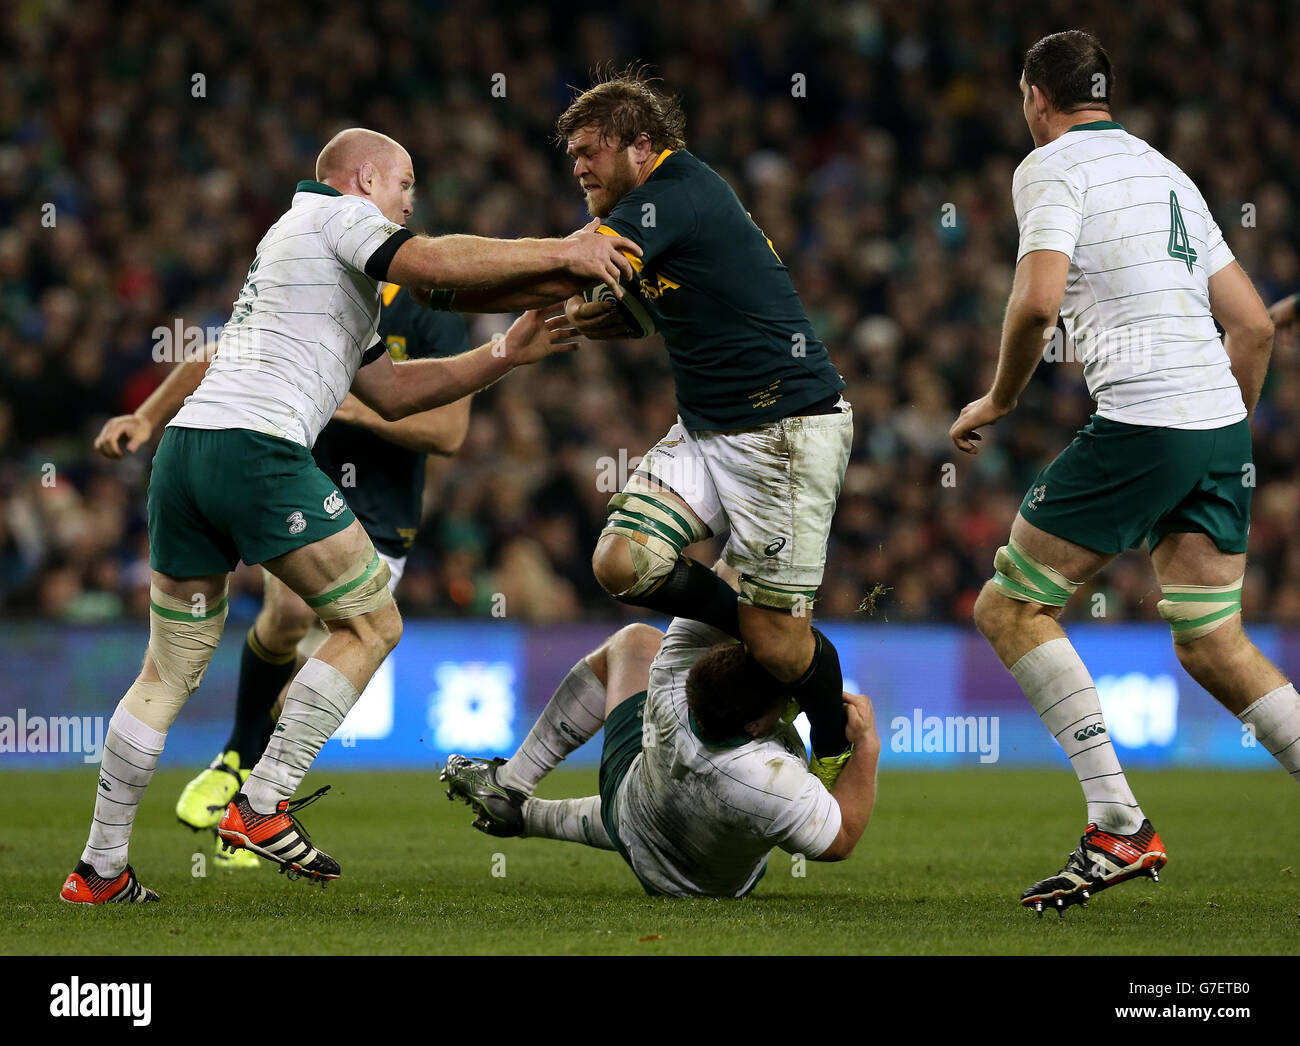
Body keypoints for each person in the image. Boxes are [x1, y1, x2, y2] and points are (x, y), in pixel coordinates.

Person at [59, 127, 642, 903]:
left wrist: (505, 353)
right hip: (256, 452)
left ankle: (100, 868)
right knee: (374, 625)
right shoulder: (340, 216)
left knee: (165, 674)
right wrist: (566, 251)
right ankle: (261, 804)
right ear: (366, 177)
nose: (410, 203)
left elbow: (396, 394)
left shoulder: (304, 249)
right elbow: (432, 267)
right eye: (405, 184)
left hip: (186, 455)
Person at [949, 31, 1295, 915]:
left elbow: (1034, 300)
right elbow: (1253, 327)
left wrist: (998, 399)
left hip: (1145, 418)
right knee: (1212, 640)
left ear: (1036, 97)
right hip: (1218, 426)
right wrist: (1218, 435)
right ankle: (1120, 827)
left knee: (1010, 605)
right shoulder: (1167, 170)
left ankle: (1119, 825)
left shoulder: (1052, 164)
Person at [548, 67, 857, 799]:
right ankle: (759, 620)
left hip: (785, 431)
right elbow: (687, 300)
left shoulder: (673, 196)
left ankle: (834, 731)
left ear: (642, 145)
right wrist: (622, 318)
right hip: (708, 427)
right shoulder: (667, 215)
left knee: (782, 645)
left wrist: (438, 277)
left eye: (591, 149)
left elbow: (564, 266)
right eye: (572, 157)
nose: (580, 167)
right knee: (621, 562)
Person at [94, 284, 472, 870]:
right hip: (296, 481)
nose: (405, 198)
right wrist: (146, 416)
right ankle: (244, 777)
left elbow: (448, 433)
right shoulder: (315, 273)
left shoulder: (428, 310)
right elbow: (219, 350)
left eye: (409, 185)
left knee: (317, 668)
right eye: (403, 184)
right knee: (290, 615)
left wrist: (357, 409)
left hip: (382, 514)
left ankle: (242, 784)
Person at [441, 561, 879, 898]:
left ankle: (514, 785)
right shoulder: (768, 782)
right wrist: (867, 749)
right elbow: (839, 842)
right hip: (707, 882)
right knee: (718, 820)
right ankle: (527, 815)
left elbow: (725, 577)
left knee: (634, 641)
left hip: (636, 808)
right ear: (754, 727)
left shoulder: (674, 675)